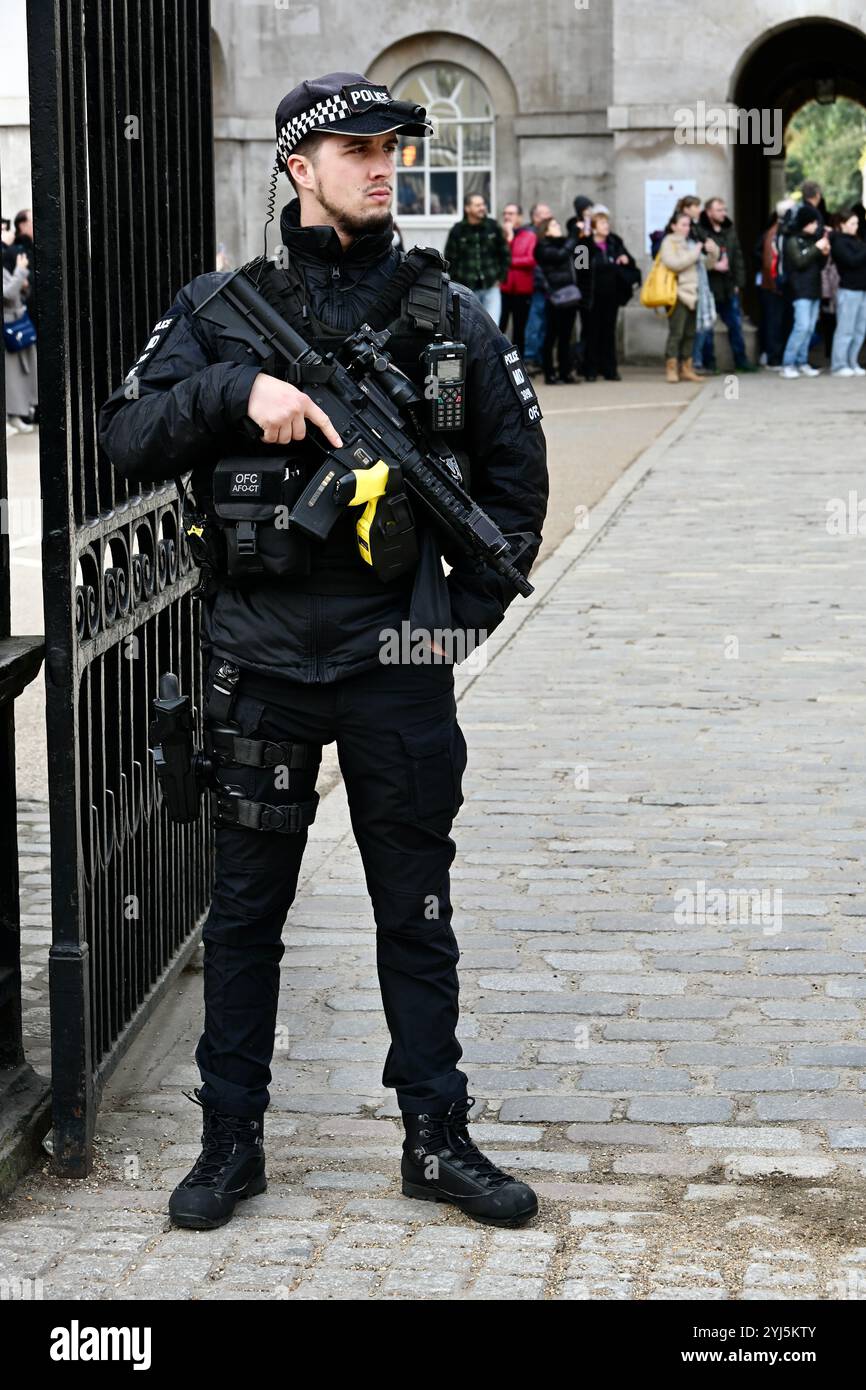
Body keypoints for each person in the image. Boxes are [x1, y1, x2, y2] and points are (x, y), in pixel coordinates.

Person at [98, 69, 548, 1233]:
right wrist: (234, 392)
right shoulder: (221, 310)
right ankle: (229, 1140)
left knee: (417, 907)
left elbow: (513, 492)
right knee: (246, 913)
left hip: (394, 666)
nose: (380, 167)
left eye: (390, 150)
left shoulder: (445, 315)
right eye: (355, 150)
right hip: (260, 661)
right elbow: (123, 433)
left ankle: (436, 1139)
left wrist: (446, 629)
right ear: (297, 168)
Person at [659, 209, 719, 382]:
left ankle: (686, 367)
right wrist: (695, 252)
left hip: (696, 293)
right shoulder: (669, 242)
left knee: (690, 333)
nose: (687, 228)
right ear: (673, 226)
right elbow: (674, 264)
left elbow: (706, 265)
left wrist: (713, 251)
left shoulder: (691, 242)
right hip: (677, 293)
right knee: (676, 332)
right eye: (683, 225)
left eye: (688, 225)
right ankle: (671, 367)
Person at [577, 209, 638, 380]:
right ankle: (590, 369)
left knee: (608, 333)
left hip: (611, 295)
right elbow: (580, 268)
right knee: (591, 333)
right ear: (594, 227)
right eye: (603, 223)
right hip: (591, 297)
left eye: (607, 223)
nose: (607, 226)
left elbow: (630, 261)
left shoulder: (615, 242)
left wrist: (626, 260)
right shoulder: (584, 244)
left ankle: (609, 369)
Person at [696, 196, 754, 371]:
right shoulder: (699, 231)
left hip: (729, 286)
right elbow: (699, 260)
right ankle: (710, 363)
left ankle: (741, 361)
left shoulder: (729, 230)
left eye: (724, 210)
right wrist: (714, 267)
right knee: (708, 328)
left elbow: (737, 257)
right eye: (719, 210)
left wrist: (739, 282)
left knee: (735, 324)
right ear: (709, 212)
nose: (723, 213)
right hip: (710, 286)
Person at [780, 204, 830, 378]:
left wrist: (824, 253)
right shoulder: (793, 241)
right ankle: (788, 363)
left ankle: (802, 362)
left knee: (809, 328)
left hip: (814, 289)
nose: (816, 226)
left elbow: (819, 266)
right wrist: (816, 248)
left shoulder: (811, 239)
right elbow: (800, 262)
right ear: (805, 223)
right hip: (800, 290)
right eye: (813, 223)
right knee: (801, 327)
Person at [444, 192, 510, 323]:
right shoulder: (457, 230)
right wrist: (458, 283)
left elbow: (505, 254)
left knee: (493, 325)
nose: (482, 207)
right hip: (467, 289)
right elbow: (449, 258)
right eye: (478, 205)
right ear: (467, 208)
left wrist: (500, 278)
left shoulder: (493, 226)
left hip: (491, 286)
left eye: (483, 204)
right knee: (470, 327)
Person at [533, 215, 580, 384]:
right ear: (545, 231)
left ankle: (565, 372)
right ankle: (549, 373)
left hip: (569, 295)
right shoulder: (542, 247)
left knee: (566, 337)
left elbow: (580, 255)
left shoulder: (565, 243)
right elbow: (560, 255)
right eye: (554, 225)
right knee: (551, 336)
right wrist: (574, 235)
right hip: (553, 296)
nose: (558, 226)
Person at [829, 206, 866, 376]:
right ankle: (839, 364)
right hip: (849, 291)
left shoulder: (857, 241)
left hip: (862, 290)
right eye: (852, 223)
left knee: (860, 329)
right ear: (842, 225)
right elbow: (851, 262)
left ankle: (852, 362)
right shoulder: (838, 241)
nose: (855, 226)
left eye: (857, 223)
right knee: (845, 329)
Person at [3, 249, 38, 433]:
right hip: (8, 327)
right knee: (10, 378)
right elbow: (7, 294)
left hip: (16, 323)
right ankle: (9, 418)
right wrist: (21, 270)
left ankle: (16, 415)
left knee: (17, 377)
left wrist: (23, 284)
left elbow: (16, 295)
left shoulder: (6, 269)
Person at [498, 202, 536, 355]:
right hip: (504, 288)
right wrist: (509, 238)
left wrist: (510, 262)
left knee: (519, 329)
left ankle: (519, 363)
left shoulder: (530, 236)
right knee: (499, 326)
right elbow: (500, 258)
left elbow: (530, 260)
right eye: (505, 213)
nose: (507, 217)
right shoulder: (501, 236)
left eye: (511, 213)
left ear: (519, 217)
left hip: (522, 290)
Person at [523, 201, 553, 371]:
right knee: (535, 323)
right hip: (536, 286)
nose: (549, 216)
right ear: (535, 216)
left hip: (549, 287)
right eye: (545, 213)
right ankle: (530, 358)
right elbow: (536, 263)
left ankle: (540, 358)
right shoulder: (530, 234)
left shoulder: (549, 233)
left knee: (545, 325)